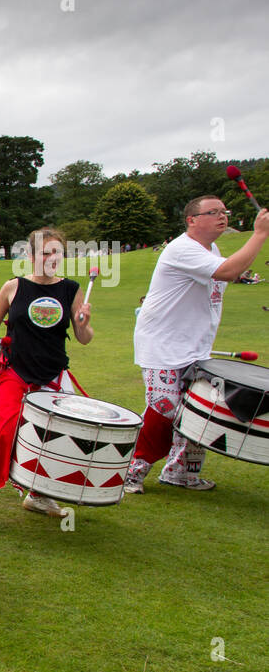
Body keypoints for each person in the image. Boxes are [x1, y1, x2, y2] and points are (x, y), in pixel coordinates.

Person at [124, 198, 269, 492]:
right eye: (213, 212)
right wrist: (260, 235)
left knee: (197, 409)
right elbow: (229, 272)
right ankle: (129, 471)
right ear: (191, 220)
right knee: (164, 408)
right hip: (162, 345)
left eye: (224, 212)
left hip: (195, 345)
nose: (222, 217)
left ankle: (180, 472)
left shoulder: (211, 249)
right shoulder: (182, 248)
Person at [0, 227, 93, 524]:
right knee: (4, 428)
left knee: (57, 437)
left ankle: (38, 493)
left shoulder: (70, 289)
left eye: (57, 252)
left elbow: (84, 338)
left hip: (53, 375)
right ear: (30, 256)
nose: (52, 258)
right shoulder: (13, 286)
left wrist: (83, 323)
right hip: (15, 372)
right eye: (45, 252)